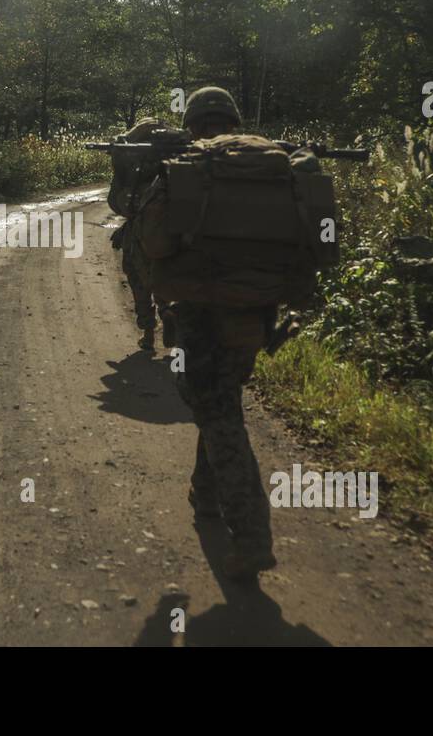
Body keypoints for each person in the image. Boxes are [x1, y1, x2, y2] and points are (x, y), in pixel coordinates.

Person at [159, 87, 278, 580]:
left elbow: (153, 241)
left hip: (201, 313)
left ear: (192, 124)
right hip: (255, 311)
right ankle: (204, 494)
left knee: (217, 411)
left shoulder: (189, 169)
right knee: (221, 398)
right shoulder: (268, 166)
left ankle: (251, 536)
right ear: (234, 118)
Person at [106, 116, 180, 351]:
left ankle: (148, 332)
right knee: (165, 271)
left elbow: (116, 200)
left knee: (137, 275)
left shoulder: (132, 162)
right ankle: (167, 309)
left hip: (139, 227)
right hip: (171, 230)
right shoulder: (176, 159)